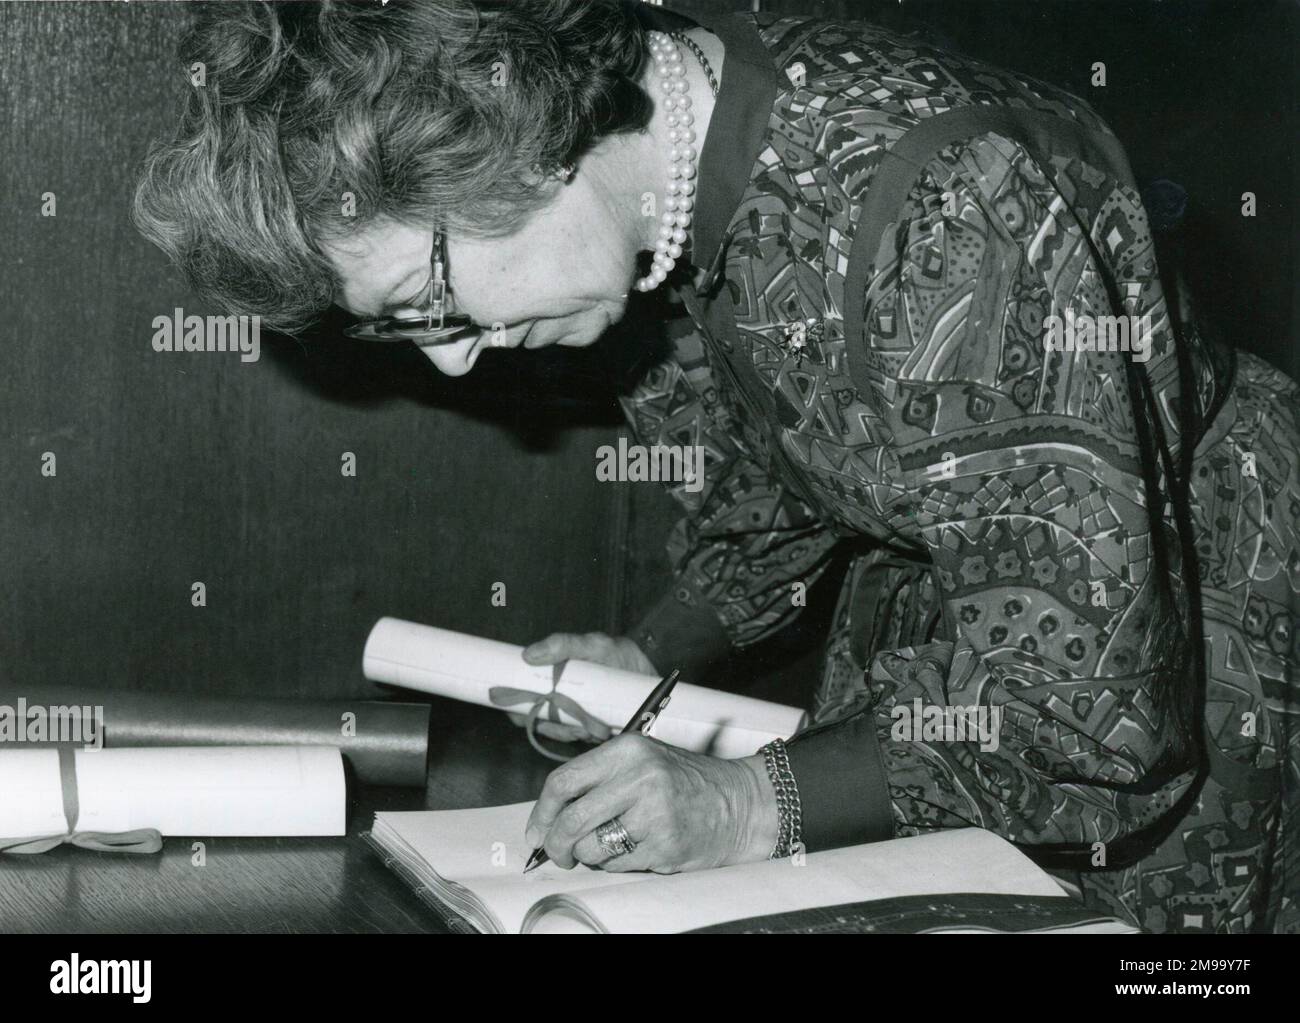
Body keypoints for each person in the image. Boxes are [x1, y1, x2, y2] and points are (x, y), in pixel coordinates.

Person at [133, 0, 1298, 933]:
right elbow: (795, 450)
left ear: (520, 146)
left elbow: (1082, 711)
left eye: (423, 300)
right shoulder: (678, 152)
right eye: (395, 329)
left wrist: (745, 800)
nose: (445, 362)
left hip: (1172, 619)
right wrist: (650, 654)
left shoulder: (953, 204)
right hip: (953, 638)